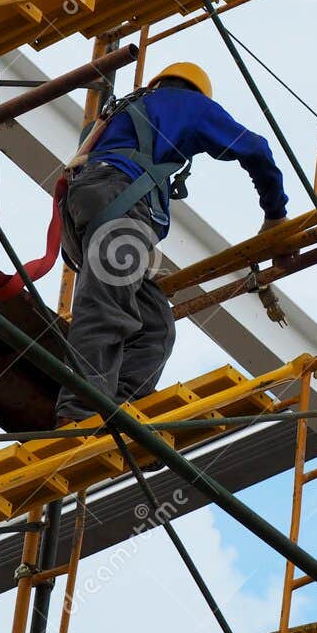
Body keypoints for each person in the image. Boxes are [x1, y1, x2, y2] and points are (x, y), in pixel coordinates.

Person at [54, 62, 287, 426]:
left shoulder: (118, 113)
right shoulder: (187, 104)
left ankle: (118, 409)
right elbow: (255, 149)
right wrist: (276, 213)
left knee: (154, 325)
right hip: (120, 202)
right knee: (106, 306)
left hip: (84, 214)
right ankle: (79, 415)